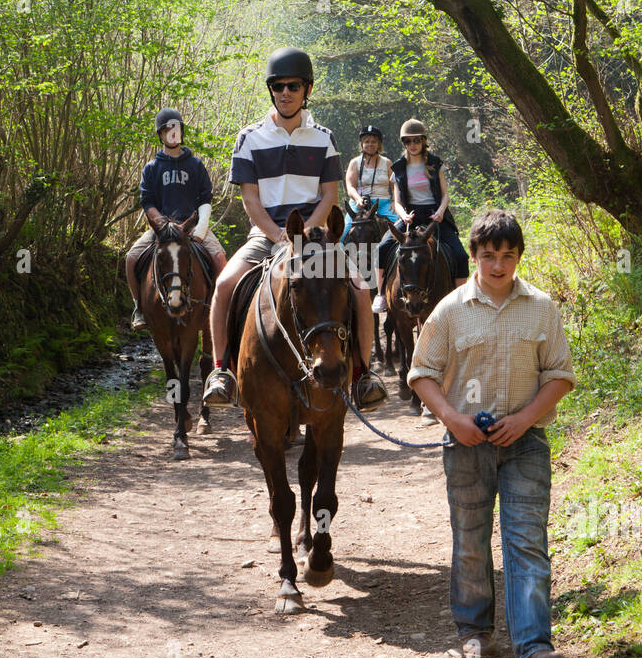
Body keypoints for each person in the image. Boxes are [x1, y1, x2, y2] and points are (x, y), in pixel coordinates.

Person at [407, 209, 576, 658]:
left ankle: (535, 648)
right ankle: (475, 629)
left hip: (526, 444)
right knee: (471, 542)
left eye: (507, 256)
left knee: (527, 542)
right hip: (465, 446)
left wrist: (524, 420)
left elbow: (559, 374)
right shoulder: (450, 309)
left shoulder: (542, 307)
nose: (498, 266)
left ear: (519, 257)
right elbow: (421, 373)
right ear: (475, 257)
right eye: (488, 256)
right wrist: (453, 419)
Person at [201, 46, 388, 411]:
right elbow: (250, 200)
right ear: (271, 90)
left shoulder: (323, 138)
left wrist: (306, 236)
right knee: (224, 286)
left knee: (360, 288)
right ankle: (222, 372)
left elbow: (329, 195)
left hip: (315, 237)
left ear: (307, 90)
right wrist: (278, 235)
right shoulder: (249, 137)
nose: (285, 92)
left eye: (293, 86)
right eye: (278, 86)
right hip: (267, 233)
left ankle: (363, 376)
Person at [126, 108, 226, 330]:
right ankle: (139, 307)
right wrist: (161, 225)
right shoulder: (151, 168)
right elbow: (147, 201)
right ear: (160, 134)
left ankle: (215, 305)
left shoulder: (196, 165)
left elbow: (206, 198)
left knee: (219, 258)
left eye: (176, 128)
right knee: (131, 258)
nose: (172, 133)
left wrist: (201, 226)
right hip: (162, 229)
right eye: (167, 129)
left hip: (191, 226)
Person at [374, 118, 469, 312]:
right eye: (408, 141)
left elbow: (445, 195)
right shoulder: (398, 168)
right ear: (404, 143)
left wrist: (441, 212)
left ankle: (463, 301)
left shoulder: (435, 163)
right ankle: (381, 294)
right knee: (382, 248)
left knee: (460, 254)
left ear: (424, 140)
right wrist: (404, 216)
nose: (412, 145)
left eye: (416, 140)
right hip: (410, 215)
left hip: (435, 215)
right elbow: (397, 201)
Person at [343, 124, 401, 298]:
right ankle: (343, 274)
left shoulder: (387, 163)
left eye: (373, 141)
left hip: (383, 202)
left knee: (400, 229)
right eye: (367, 141)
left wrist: (395, 202)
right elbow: (350, 186)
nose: (370, 144)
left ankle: (399, 269)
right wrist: (358, 200)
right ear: (362, 143)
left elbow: (396, 184)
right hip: (360, 203)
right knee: (344, 232)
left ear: (379, 144)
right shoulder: (354, 162)